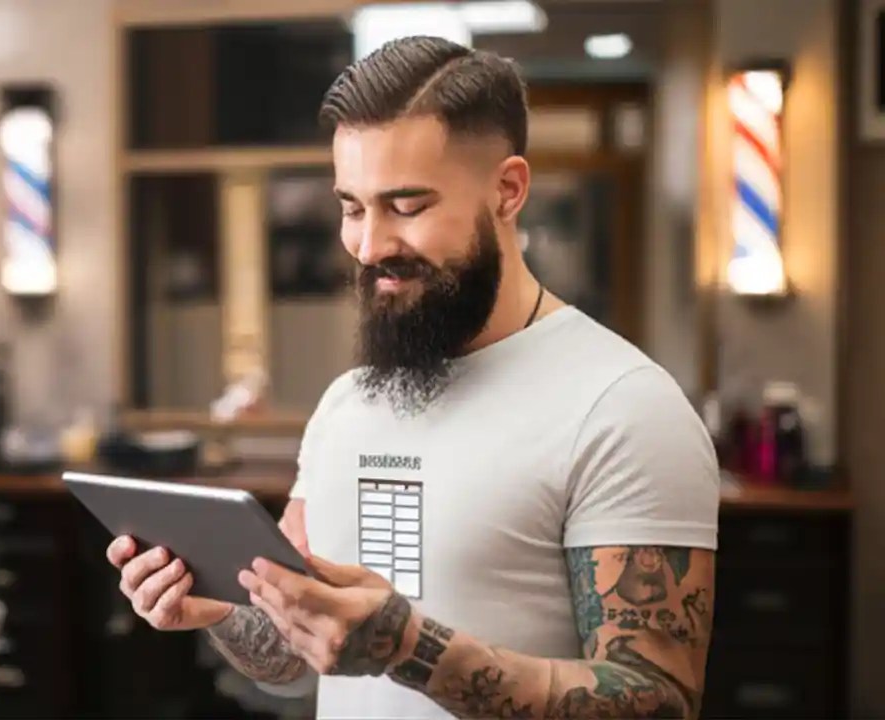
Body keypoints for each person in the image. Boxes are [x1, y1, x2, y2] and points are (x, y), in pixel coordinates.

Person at [107, 36, 718, 719]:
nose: (370, 247)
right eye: (352, 208)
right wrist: (217, 609)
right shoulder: (348, 404)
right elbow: (290, 662)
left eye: (407, 206)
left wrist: (408, 647)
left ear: (508, 190)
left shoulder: (623, 408)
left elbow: (658, 702)